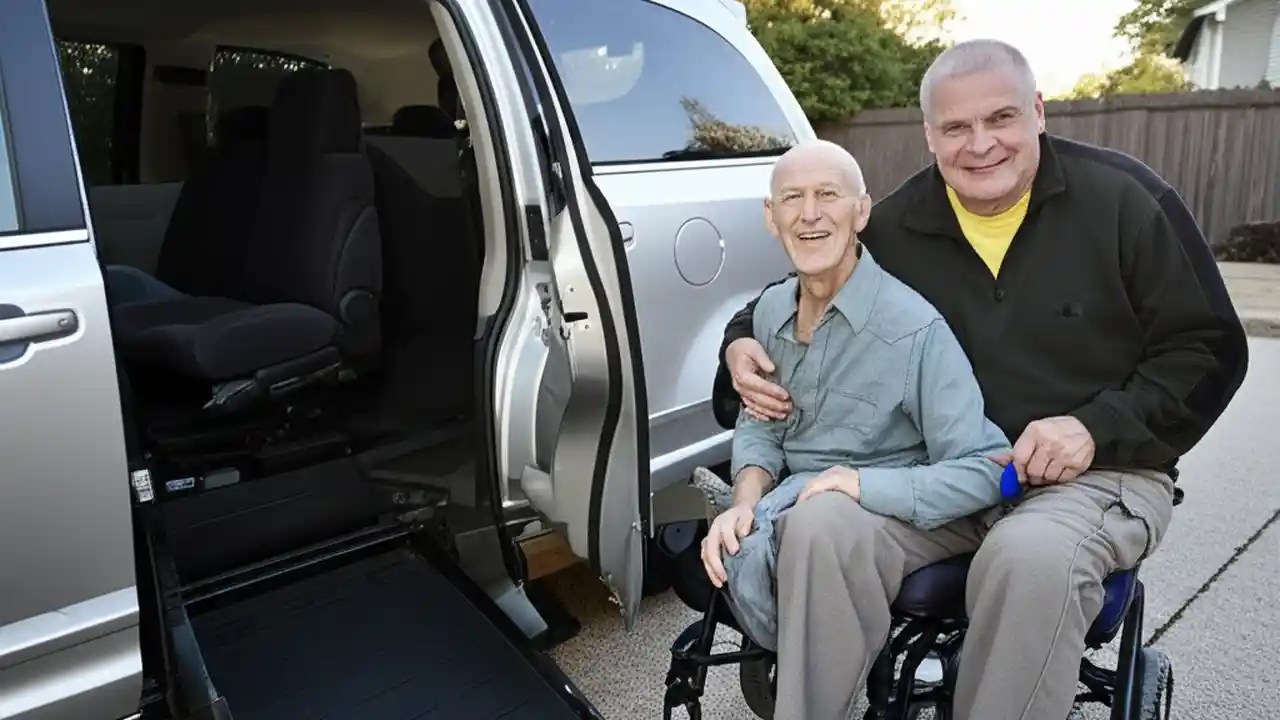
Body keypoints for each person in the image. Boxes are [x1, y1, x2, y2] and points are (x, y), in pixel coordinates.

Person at [712, 39, 1249, 720]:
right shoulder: (898, 225)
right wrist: (737, 348)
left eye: (1001, 119)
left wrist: (1094, 427)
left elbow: (1210, 349)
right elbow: (796, 290)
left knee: (1026, 558)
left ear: (1038, 113)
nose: (981, 144)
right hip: (945, 475)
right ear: (930, 136)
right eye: (957, 127)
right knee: (821, 526)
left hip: (1096, 475)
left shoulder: (1125, 202)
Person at [695, 139, 1012, 658]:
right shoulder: (772, 311)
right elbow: (763, 423)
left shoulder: (915, 330)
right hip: (798, 505)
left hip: (892, 513)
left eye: (828, 194)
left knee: (816, 525)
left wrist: (859, 484)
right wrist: (743, 505)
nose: (810, 214)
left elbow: (987, 469)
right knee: (743, 535)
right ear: (771, 217)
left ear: (861, 211)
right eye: (792, 198)